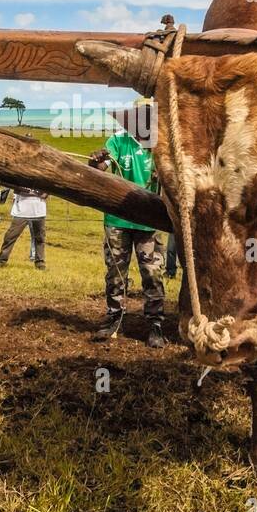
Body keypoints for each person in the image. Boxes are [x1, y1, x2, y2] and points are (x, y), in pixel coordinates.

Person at [88, 109, 166, 348]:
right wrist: (96, 162)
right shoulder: (118, 140)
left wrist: (162, 171)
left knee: (152, 273)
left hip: (150, 220)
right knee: (115, 272)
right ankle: (114, 317)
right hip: (117, 219)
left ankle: (155, 324)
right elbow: (103, 166)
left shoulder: (160, 145)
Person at [0, 186, 48, 269]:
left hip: (39, 210)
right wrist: (34, 193)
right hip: (21, 211)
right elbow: (16, 190)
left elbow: (45, 194)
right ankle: (1, 260)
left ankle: (40, 262)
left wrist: (42, 193)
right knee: (10, 236)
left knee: (40, 238)